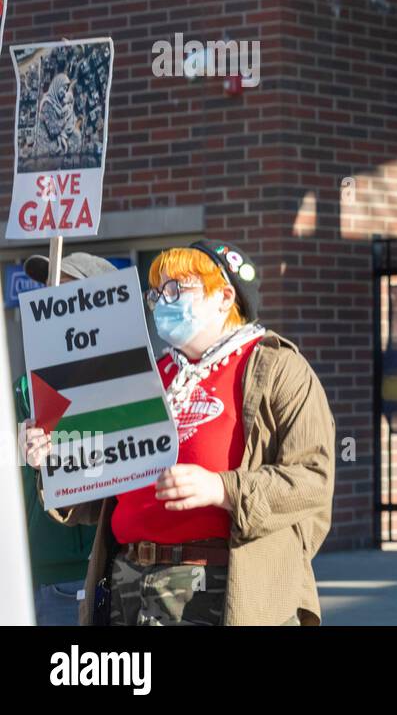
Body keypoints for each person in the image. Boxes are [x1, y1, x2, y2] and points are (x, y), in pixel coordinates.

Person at [22, 240, 336, 625]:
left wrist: (222, 489)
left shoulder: (276, 368)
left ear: (224, 296)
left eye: (176, 288)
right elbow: (97, 493)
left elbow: (313, 479)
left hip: (216, 585)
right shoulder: (151, 373)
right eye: (157, 292)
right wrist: (56, 459)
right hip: (128, 583)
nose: (162, 300)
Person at [15, 252, 117, 625]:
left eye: (63, 292)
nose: (47, 300)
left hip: (85, 572)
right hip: (26, 573)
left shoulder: (120, 383)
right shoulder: (24, 384)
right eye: (46, 289)